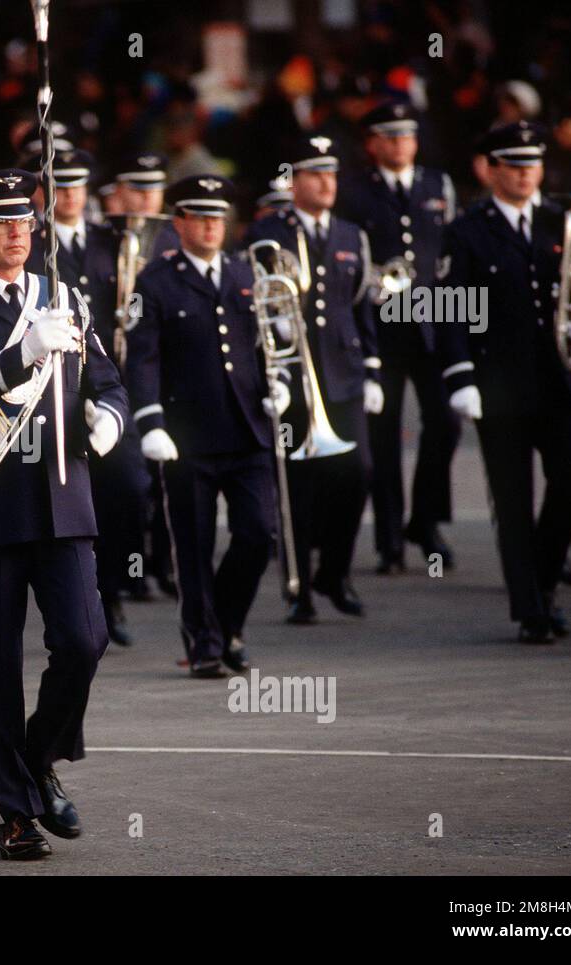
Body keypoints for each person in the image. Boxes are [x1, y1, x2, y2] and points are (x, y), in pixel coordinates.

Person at [0, 168, 128, 860]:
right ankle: (13, 811)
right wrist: (22, 355)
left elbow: (107, 379)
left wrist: (109, 419)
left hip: (63, 498)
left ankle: (38, 757)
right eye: (0, 222)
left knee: (84, 639)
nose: (17, 232)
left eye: (25, 222)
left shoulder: (64, 297)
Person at [438, 121, 571, 642]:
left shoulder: (561, 222)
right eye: (515, 165)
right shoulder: (467, 230)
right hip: (498, 384)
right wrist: (460, 376)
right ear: (492, 170)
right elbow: (452, 310)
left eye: (534, 164)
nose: (527, 174)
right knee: (511, 499)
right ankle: (530, 609)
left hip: (557, 381)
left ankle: (544, 581)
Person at [127, 175, 282, 677]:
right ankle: (205, 645)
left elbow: (262, 347)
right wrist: (149, 421)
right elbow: (143, 359)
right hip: (187, 435)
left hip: (247, 427)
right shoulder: (155, 280)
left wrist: (279, 386)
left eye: (219, 217)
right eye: (201, 216)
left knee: (259, 534)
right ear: (180, 223)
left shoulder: (244, 273)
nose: (213, 226)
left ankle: (228, 625)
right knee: (191, 548)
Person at [246, 135, 378, 624]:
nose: (326, 183)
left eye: (331, 174)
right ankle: (299, 587)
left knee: (359, 473)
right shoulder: (268, 232)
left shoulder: (351, 236)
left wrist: (374, 370)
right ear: (295, 181)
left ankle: (336, 572)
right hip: (291, 379)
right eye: (315, 174)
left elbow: (361, 308)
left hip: (343, 376)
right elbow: (249, 301)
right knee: (296, 489)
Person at [24, 147, 149, 645]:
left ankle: (113, 590)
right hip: (51, 390)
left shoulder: (111, 241)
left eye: (76, 186)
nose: (69, 196)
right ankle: (83, 599)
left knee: (129, 489)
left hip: (108, 380)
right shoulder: (32, 246)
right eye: (58, 187)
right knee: (69, 498)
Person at [337, 102, 460, 574]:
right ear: (372, 143)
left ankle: (425, 520)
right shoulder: (354, 192)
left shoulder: (437, 185)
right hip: (379, 324)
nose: (398, 144)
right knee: (383, 433)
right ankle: (389, 536)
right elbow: (346, 254)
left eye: (406, 135)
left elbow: (449, 254)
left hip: (432, 320)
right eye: (388, 136)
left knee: (446, 422)